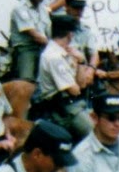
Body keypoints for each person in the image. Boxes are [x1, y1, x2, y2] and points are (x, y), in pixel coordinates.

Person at [33, 14, 92, 142]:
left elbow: (81, 84)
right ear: (70, 34)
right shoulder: (54, 56)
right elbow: (74, 90)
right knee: (93, 134)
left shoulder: (64, 52)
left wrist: (81, 61)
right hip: (62, 109)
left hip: (73, 104)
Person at [7, 0, 51, 83]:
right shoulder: (20, 9)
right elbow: (34, 35)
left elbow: (48, 32)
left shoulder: (44, 10)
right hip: (26, 48)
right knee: (26, 80)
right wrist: (55, 47)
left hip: (43, 47)